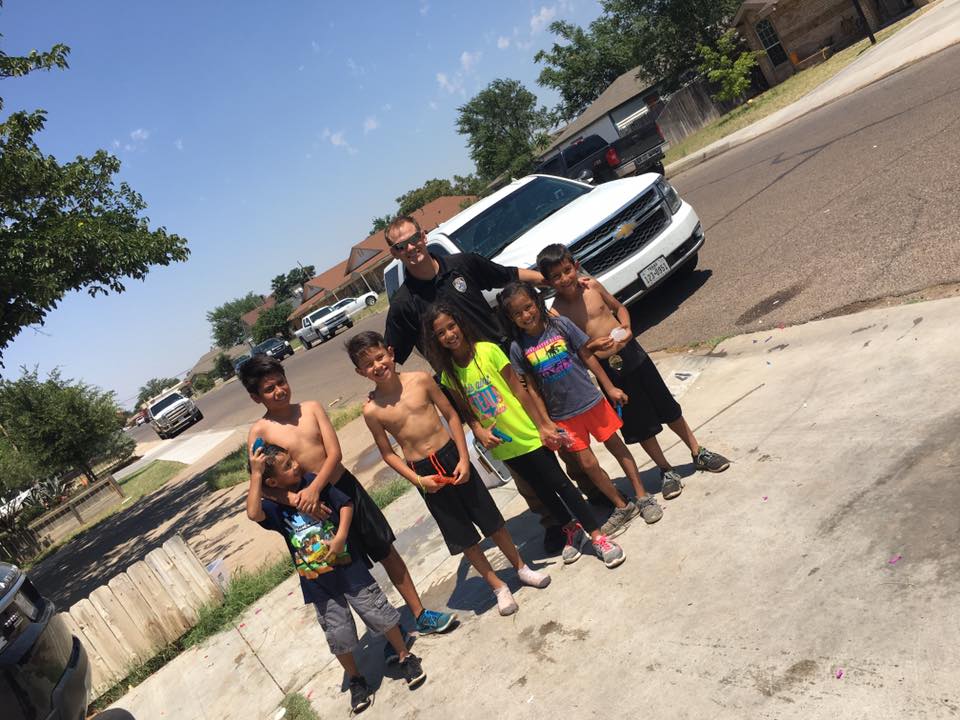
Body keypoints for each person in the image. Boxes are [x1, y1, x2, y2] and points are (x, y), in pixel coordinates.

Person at [381, 214, 598, 552]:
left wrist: (561, 283)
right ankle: (554, 520)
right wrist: (378, 387)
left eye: (414, 239)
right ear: (394, 253)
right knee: (520, 463)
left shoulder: (461, 265)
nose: (411, 248)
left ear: (424, 236)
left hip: (510, 369)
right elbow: (390, 358)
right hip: (474, 393)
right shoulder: (403, 305)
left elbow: (509, 275)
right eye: (401, 246)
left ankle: (592, 493)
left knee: (553, 432)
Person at [238, 355, 456, 654]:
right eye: (269, 389)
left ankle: (420, 613)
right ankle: (389, 633)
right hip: (313, 511)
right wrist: (300, 500)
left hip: (344, 489)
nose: (279, 391)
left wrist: (315, 487)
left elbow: (334, 453)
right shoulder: (259, 433)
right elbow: (262, 484)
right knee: (348, 571)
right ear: (255, 397)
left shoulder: (311, 408)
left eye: (281, 382)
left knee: (385, 549)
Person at [348, 331, 552, 616]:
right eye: (368, 364)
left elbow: (452, 416)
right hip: (424, 472)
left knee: (491, 520)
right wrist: (418, 480)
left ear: (391, 353)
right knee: (462, 535)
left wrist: (465, 459)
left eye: (380, 357)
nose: (377, 366)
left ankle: (521, 567)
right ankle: (498, 587)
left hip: (452, 455)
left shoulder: (420, 380)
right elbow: (387, 453)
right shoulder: (372, 411)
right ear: (361, 372)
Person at [423, 302, 626, 568]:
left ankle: (597, 535)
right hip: (504, 445)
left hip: (528, 434)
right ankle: (571, 530)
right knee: (542, 491)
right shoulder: (448, 374)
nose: (449, 334)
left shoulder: (489, 351)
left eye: (452, 326)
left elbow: (521, 391)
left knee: (561, 484)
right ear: (435, 340)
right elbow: (466, 411)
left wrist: (543, 425)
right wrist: (479, 430)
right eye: (441, 332)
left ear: (461, 323)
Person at [537, 243, 730, 497]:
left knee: (666, 405)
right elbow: (574, 353)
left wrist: (627, 326)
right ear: (548, 282)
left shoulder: (592, 286)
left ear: (574, 266)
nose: (564, 279)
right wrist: (593, 345)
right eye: (556, 276)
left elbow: (619, 308)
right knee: (639, 422)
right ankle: (665, 469)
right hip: (609, 370)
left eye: (566, 270)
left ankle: (697, 451)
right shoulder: (556, 314)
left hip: (632, 353)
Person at [246, 443, 426, 713]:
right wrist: (256, 475)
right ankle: (356, 680)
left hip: (350, 569)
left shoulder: (311, 482)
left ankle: (405, 655)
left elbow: (345, 504)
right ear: (272, 481)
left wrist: (341, 536)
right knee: (338, 634)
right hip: (318, 583)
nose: (296, 465)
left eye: (292, 460)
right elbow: (252, 513)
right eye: (287, 466)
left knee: (379, 614)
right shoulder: (274, 507)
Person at [498, 281, 666, 534]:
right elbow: (531, 388)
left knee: (617, 447)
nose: (525, 315)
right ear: (510, 318)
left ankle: (642, 496)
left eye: (528, 307)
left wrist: (609, 387)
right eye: (517, 313)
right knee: (587, 465)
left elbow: (587, 356)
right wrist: (545, 422)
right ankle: (622, 505)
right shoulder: (517, 347)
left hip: (591, 401)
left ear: (536, 302)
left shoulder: (561, 325)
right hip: (562, 417)